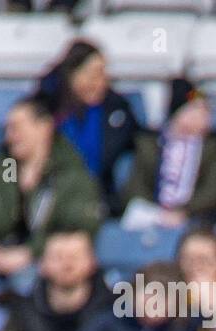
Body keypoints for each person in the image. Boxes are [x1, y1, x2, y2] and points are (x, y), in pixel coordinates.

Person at [0, 95, 103, 295]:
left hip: (42, 261)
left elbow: (77, 224)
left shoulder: (69, 174)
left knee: (27, 280)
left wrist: (29, 253)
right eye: (8, 129)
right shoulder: (1, 171)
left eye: (17, 128)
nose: (11, 136)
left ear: (44, 127)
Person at [37, 40, 140, 214]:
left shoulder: (116, 110)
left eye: (102, 75)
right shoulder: (47, 109)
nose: (99, 82)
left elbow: (139, 143)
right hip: (52, 194)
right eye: (92, 75)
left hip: (99, 198)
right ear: (71, 74)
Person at [120, 79, 216, 228]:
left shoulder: (211, 147)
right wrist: (159, 214)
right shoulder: (149, 144)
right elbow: (135, 188)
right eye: (197, 110)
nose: (204, 118)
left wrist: (184, 211)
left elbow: (213, 191)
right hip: (154, 216)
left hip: (194, 218)